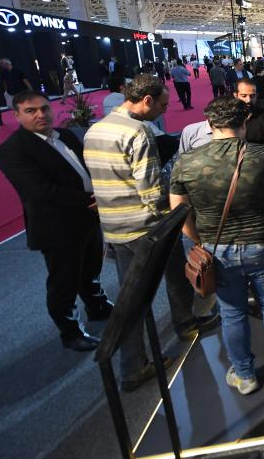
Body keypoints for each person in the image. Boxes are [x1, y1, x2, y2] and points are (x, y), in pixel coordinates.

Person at [84, 75, 218, 392]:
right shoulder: (139, 132)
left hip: (115, 229)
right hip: (146, 227)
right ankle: (180, 330)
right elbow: (151, 189)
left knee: (130, 298)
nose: (163, 110)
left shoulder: (95, 130)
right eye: (162, 104)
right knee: (173, 277)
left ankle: (136, 362)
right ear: (146, 101)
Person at [170, 97, 264, 395]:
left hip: (218, 250)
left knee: (231, 313)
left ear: (209, 124)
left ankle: (245, 376)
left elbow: (180, 214)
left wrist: (200, 241)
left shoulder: (186, 162)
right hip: (263, 244)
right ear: (243, 123)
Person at [0, 91, 113, 351]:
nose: (40, 115)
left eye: (44, 108)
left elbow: (88, 166)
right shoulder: (12, 150)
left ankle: (97, 306)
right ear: (16, 115)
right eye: (31, 111)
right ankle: (70, 332)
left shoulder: (66, 135)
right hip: (57, 226)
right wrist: (92, 199)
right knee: (64, 281)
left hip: (88, 216)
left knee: (91, 267)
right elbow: (40, 192)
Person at [180, 79, 264, 176]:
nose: (248, 100)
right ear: (235, 95)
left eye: (252, 96)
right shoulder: (226, 117)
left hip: (260, 172)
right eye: (244, 96)